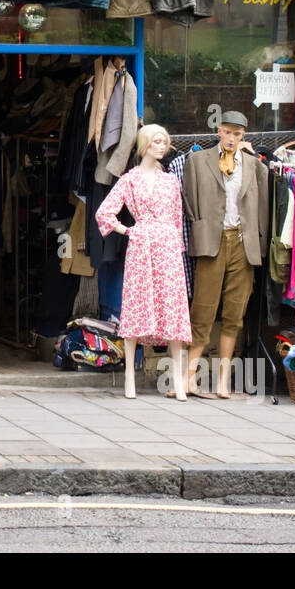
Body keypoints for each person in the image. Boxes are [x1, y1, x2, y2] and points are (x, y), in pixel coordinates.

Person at [94, 124, 191, 401]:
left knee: (171, 308)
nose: (162, 146)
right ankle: (129, 377)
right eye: (157, 141)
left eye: (165, 142)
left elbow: (176, 218)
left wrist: (177, 248)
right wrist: (128, 231)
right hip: (141, 245)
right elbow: (104, 213)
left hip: (169, 248)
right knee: (137, 306)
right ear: (145, 144)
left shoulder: (171, 180)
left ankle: (178, 379)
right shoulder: (129, 180)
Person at [181, 110, 269, 399]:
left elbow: (263, 211)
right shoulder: (197, 161)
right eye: (228, 132)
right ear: (219, 131)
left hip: (242, 244)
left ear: (244, 136)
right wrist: (202, 230)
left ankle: (222, 382)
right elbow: (191, 204)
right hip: (212, 242)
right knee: (203, 310)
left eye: (238, 134)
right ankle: (188, 378)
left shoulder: (256, 167)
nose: (232, 138)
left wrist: (260, 245)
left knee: (235, 313)